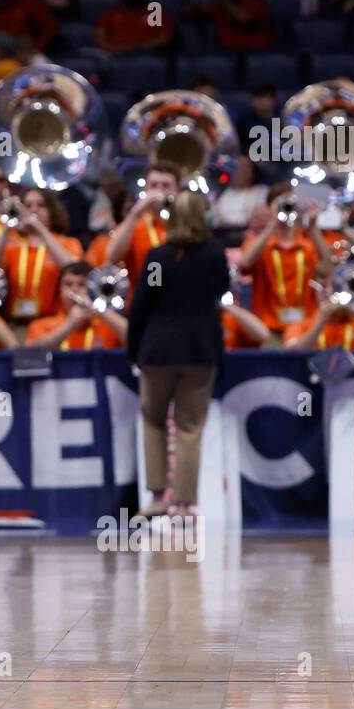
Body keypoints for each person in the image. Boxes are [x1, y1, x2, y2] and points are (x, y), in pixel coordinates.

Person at [127, 191, 229, 519]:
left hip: (157, 351)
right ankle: (184, 505)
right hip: (199, 351)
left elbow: (141, 306)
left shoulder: (158, 257)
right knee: (189, 427)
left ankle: (158, 498)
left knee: (153, 421)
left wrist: (133, 350)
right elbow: (221, 290)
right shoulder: (214, 254)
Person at [0, 186, 82, 324]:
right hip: (15, 323)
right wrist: (8, 226)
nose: (34, 210)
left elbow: (72, 269)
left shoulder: (68, 243)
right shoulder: (12, 244)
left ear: (52, 211)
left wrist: (39, 228)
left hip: (53, 323)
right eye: (28, 206)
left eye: (41, 205)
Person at [237, 185, 320, 339]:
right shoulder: (260, 243)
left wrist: (313, 228)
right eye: (281, 204)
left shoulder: (309, 242)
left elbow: (330, 267)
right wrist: (273, 222)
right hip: (268, 330)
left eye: (292, 203)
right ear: (270, 208)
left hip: (305, 329)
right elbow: (244, 264)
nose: (287, 208)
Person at [104, 161, 180, 289]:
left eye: (166, 185)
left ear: (177, 189)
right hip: (142, 295)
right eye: (153, 185)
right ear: (145, 188)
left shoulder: (185, 223)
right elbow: (112, 256)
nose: (159, 189)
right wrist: (136, 211)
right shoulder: (133, 225)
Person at [26, 261, 127, 349]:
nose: (74, 289)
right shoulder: (40, 325)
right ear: (60, 291)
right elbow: (31, 353)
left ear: (93, 289)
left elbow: (132, 338)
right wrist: (69, 325)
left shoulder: (108, 325)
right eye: (68, 284)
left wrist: (99, 309)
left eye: (81, 284)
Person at [282, 286, 354, 351]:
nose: (335, 293)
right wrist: (321, 322)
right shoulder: (301, 324)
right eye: (329, 287)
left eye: (338, 288)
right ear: (319, 292)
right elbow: (292, 355)